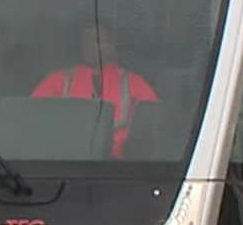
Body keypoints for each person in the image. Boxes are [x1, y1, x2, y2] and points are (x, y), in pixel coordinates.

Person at [31, 21, 158, 159]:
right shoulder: (57, 80)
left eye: (99, 41)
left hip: (120, 166)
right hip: (65, 162)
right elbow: (31, 120)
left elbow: (155, 122)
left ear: (113, 46)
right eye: (87, 41)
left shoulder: (133, 82)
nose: (92, 46)